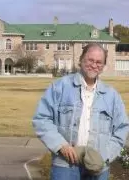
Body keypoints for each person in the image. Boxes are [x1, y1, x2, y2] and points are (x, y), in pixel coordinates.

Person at [32, 43, 129, 180]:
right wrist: (61, 145)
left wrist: (105, 155)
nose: (94, 65)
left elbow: (122, 128)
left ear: (103, 66)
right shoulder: (60, 87)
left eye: (99, 62)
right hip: (65, 165)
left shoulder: (111, 95)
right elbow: (41, 119)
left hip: (98, 166)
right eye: (90, 60)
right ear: (81, 60)